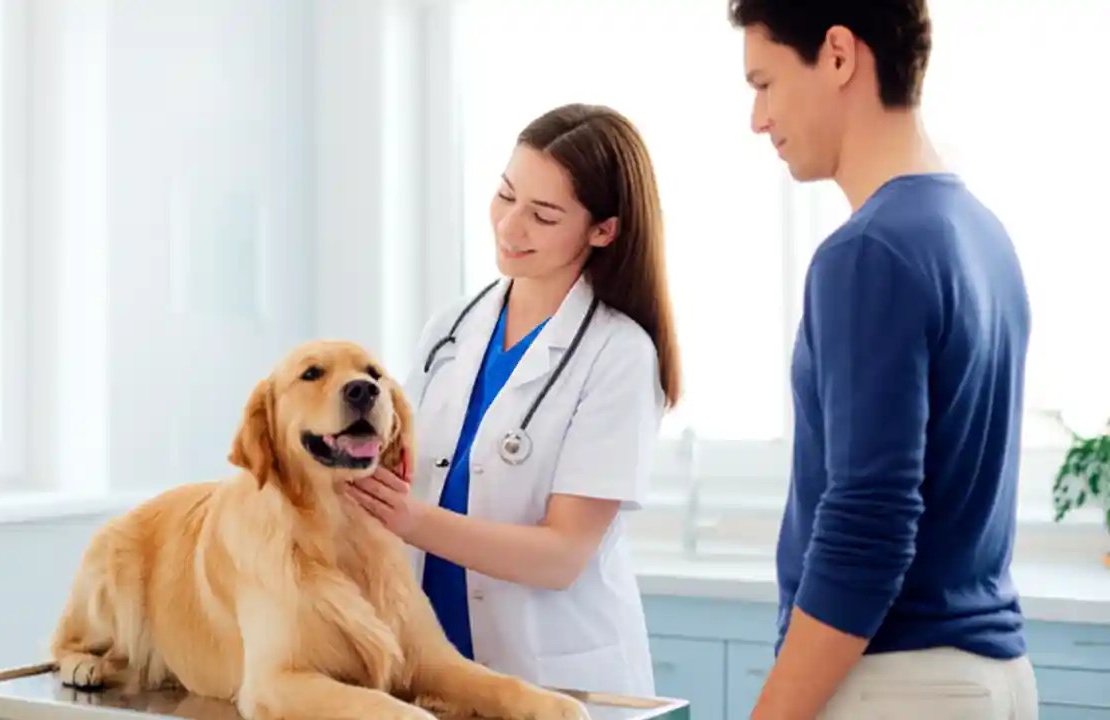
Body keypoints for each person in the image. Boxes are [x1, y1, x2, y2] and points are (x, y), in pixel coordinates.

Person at [727, 1, 1040, 718]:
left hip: (897, 683)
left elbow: (866, 528)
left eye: (765, 83)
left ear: (838, 54)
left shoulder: (869, 251)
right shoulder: (982, 236)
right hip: (997, 678)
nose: (758, 117)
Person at [344, 102, 680, 698]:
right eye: (505, 195)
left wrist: (410, 518)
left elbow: (561, 555)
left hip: (554, 677)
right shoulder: (452, 328)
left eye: (543, 215)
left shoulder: (619, 355)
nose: (509, 226)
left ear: (603, 230)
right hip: (434, 666)